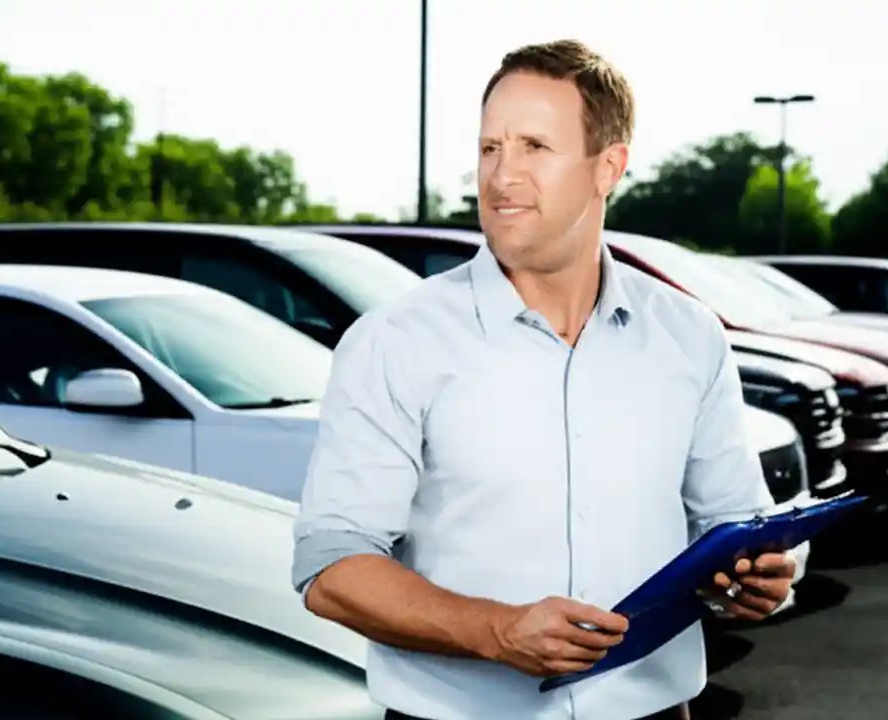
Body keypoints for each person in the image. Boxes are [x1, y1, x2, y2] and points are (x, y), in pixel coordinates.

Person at [291, 39, 802, 720]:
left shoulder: (688, 335)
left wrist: (761, 578)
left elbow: (734, 522)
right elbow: (331, 571)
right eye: (490, 148)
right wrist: (496, 631)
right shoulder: (395, 342)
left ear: (607, 167)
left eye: (535, 146)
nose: (502, 175)